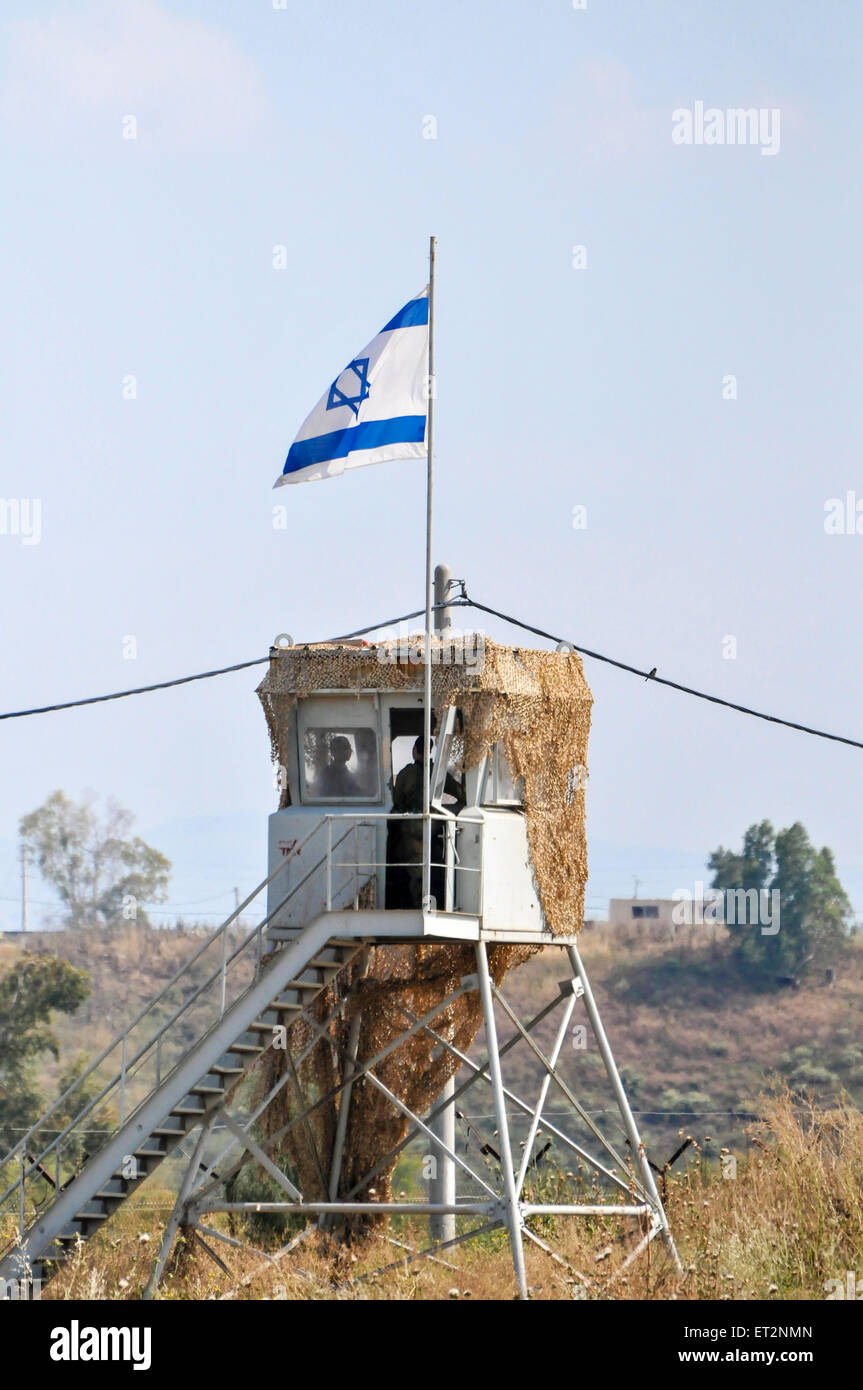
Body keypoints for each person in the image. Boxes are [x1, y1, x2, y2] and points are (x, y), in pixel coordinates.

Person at [390, 737, 465, 907]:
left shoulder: (406, 773)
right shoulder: (438, 773)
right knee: (435, 868)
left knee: (416, 871)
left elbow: (397, 801)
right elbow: (461, 794)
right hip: (435, 827)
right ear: (429, 750)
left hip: (411, 826)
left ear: (414, 750)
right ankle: (435, 904)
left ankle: (418, 906)